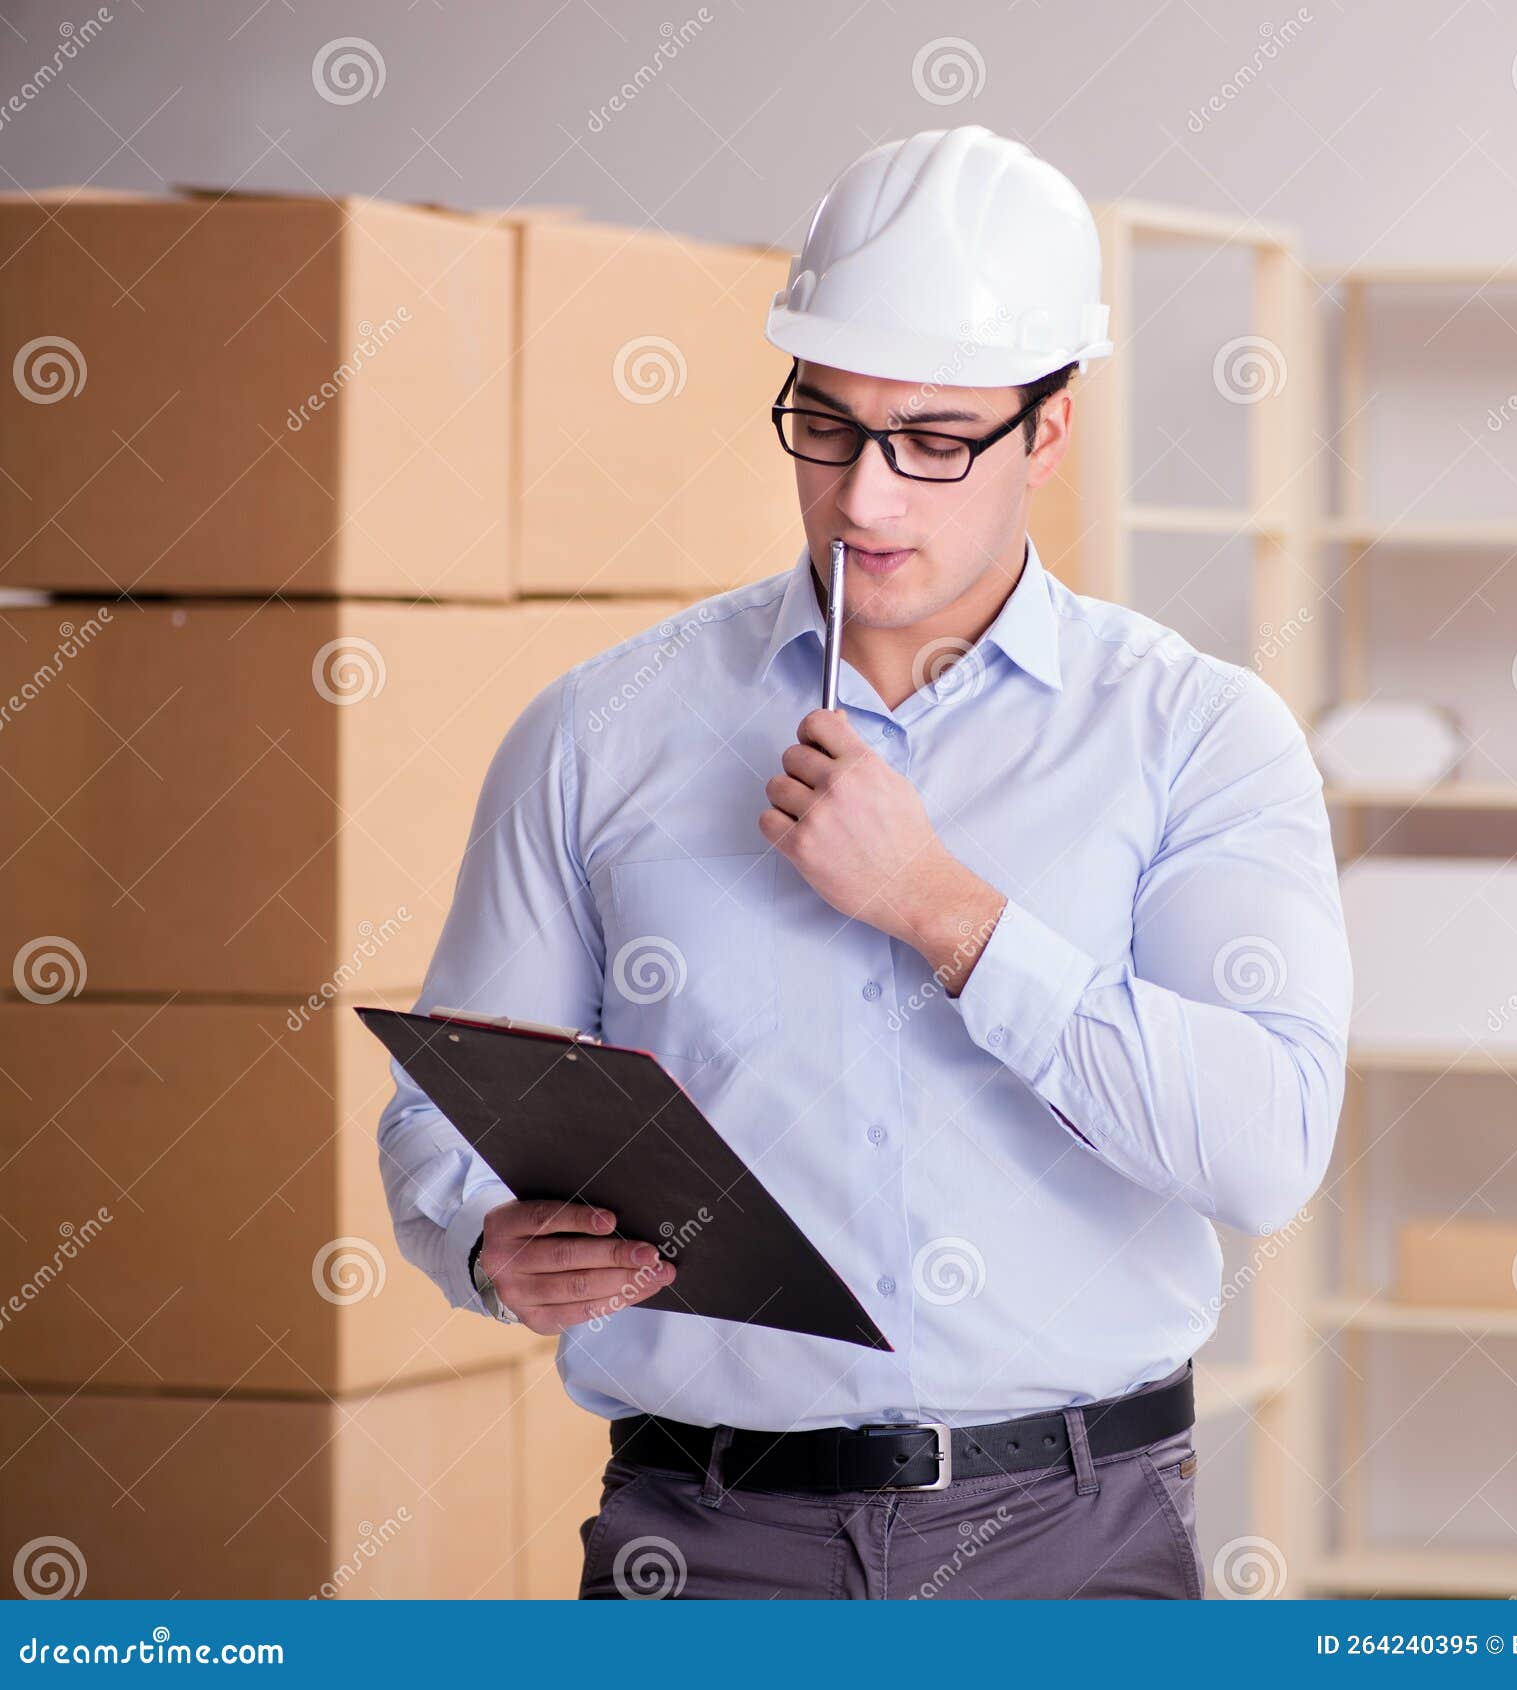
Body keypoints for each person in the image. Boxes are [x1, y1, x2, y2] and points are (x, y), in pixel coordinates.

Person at [375, 123, 1353, 1600]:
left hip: (1074, 1537)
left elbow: (1264, 1148)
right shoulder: (598, 732)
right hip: (702, 1540)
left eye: (935, 441)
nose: (865, 498)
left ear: (1051, 430)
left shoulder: (1198, 734)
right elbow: (448, 1110)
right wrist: (481, 1245)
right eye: (826, 425)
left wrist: (943, 910)